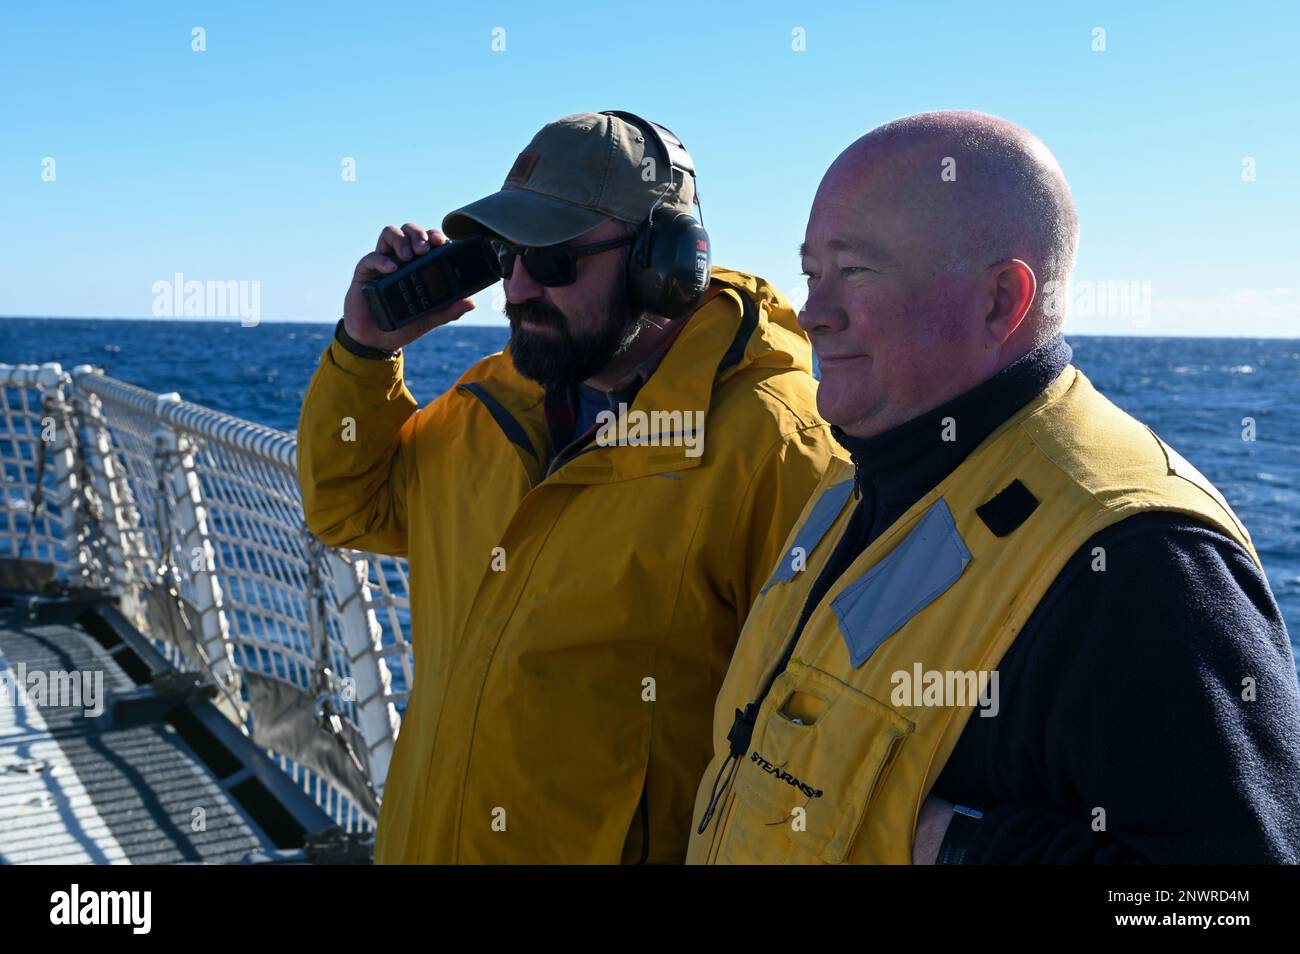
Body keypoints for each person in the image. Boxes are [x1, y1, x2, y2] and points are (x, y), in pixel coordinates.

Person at [687, 110, 1300, 864]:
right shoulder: (856, 480)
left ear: (1000, 300)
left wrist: (960, 851)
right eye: (812, 273)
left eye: (855, 272)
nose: (815, 315)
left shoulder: (1141, 560)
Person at [297, 111, 837, 863]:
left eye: (551, 260)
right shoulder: (492, 403)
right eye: (506, 255)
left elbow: (820, 757)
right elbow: (344, 509)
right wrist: (364, 350)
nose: (517, 288)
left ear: (665, 261)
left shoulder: (781, 450)